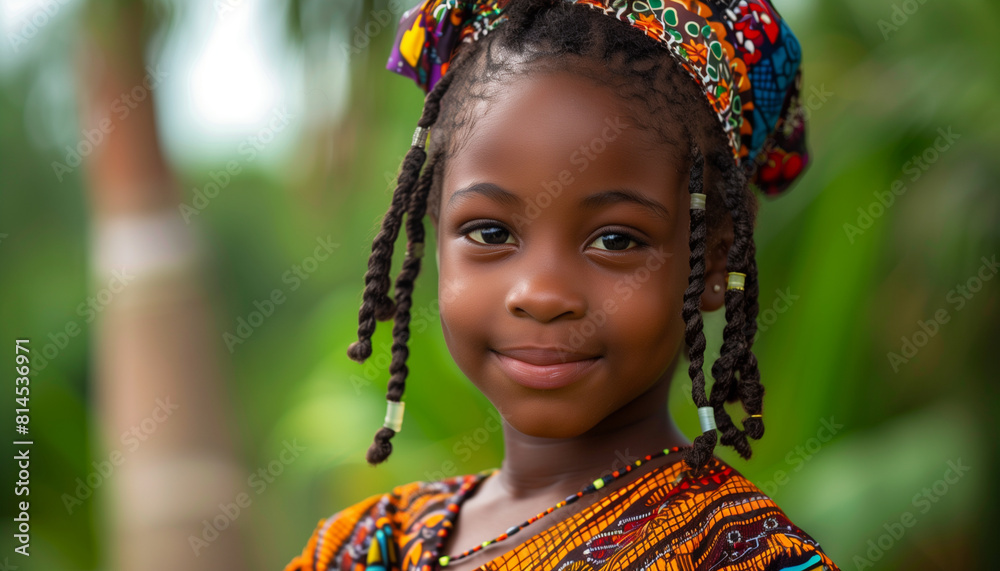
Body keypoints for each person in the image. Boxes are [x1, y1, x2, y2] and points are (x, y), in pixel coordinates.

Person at [284, 0, 839, 569]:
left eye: (616, 241)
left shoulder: (741, 555)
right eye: (491, 231)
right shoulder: (366, 546)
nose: (541, 294)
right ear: (436, 230)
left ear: (715, 262)